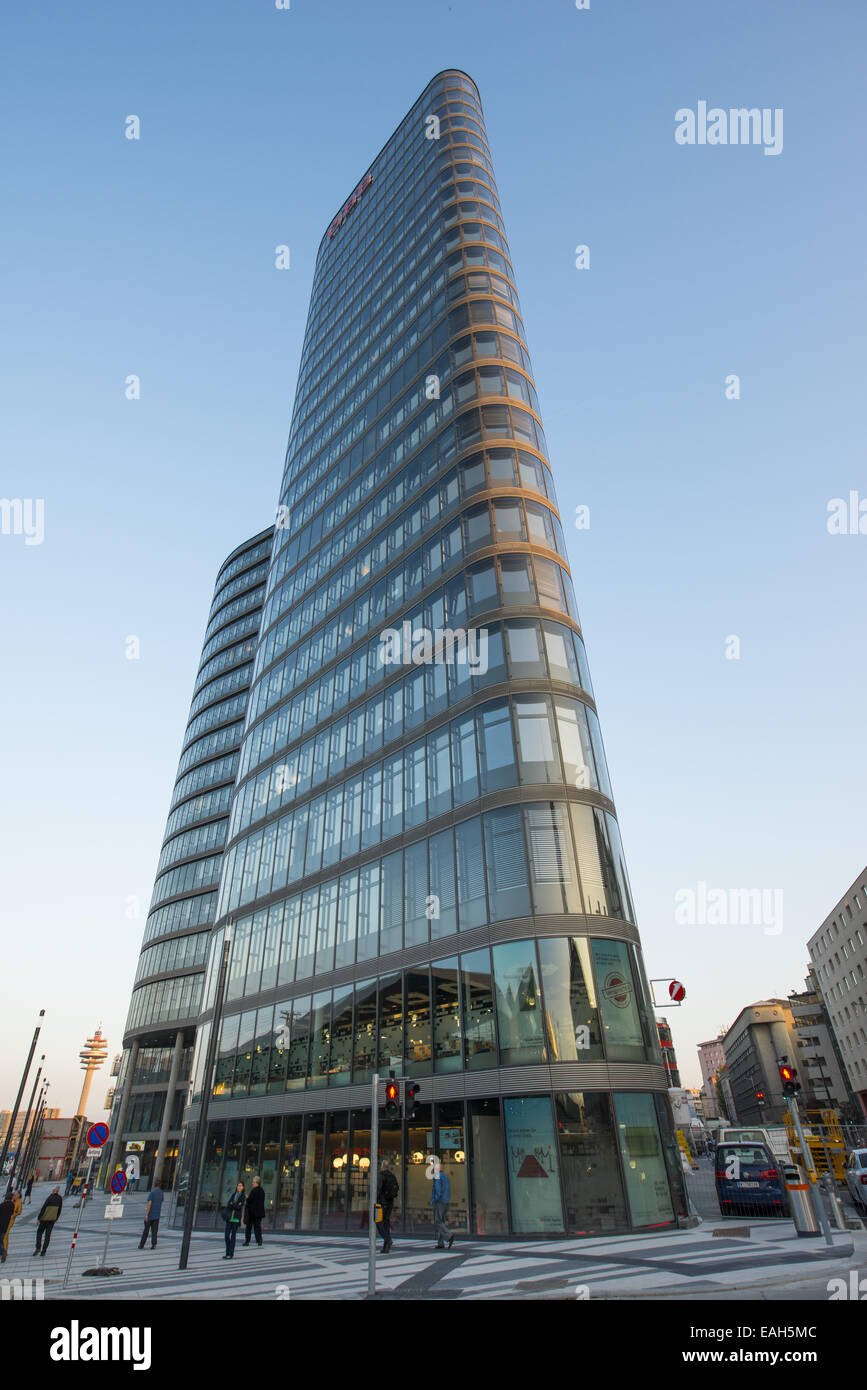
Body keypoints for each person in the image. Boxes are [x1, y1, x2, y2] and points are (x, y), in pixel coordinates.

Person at [376, 1159, 398, 1254]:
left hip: (381, 1203)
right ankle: (386, 1247)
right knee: (386, 1222)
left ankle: (387, 1239)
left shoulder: (381, 1176)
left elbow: (378, 1189)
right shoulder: (392, 1176)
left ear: (382, 1166)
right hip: (390, 1202)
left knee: (378, 1222)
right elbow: (397, 1188)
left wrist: (374, 1200)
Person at [431, 1158, 454, 1249]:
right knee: (442, 1221)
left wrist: (435, 1199)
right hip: (446, 1201)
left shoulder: (437, 1176)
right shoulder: (445, 1176)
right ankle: (440, 1242)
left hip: (439, 1201)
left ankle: (449, 1236)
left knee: (437, 1221)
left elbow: (438, 1190)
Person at [33, 1187, 63, 1257]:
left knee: (39, 1232)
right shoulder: (60, 1199)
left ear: (53, 1191)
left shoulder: (49, 1197)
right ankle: (43, 1251)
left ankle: (38, 1247)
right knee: (48, 1235)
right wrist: (56, 1218)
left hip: (44, 1219)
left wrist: (39, 1218)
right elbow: (60, 1209)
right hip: (52, 1219)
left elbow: (43, 1208)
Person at [222, 1181, 245, 1259]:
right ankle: (227, 1252)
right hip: (229, 1218)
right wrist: (234, 1205)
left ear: (243, 1187)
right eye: (238, 1185)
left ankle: (230, 1254)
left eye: (240, 1186)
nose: (239, 1187)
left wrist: (233, 1204)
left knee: (233, 1236)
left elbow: (239, 1207)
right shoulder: (233, 1194)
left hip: (235, 1219)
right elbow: (229, 1204)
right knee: (226, 1235)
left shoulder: (242, 1196)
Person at [138, 1181, 163, 1249]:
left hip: (150, 1215)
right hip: (157, 1215)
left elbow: (149, 1203)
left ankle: (142, 1245)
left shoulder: (152, 1192)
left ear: (154, 1185)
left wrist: (146, 1214)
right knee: (154, 1231)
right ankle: (154, 1244)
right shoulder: (161, 1192)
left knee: (146, 1231)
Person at [243, 1175, 265, 1247]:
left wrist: (247, 1197)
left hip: (252, 1212)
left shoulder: (253, 1191)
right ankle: (259, 1240)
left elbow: (250, 1200)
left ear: (256, 1183)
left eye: (253, 1182)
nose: (252, 1183)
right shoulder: (262, 1191)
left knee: (249, 1227)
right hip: (259, 1213)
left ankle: (247, 1241)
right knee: (257, 1227)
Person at [0, 1193, 15, 1263]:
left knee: (0, 1241)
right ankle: (3, 1252)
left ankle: (3, 1252)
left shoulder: (2, 1205)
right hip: (5, 1225)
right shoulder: (12, 1205)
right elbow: (11, 1213)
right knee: (1, 1240)